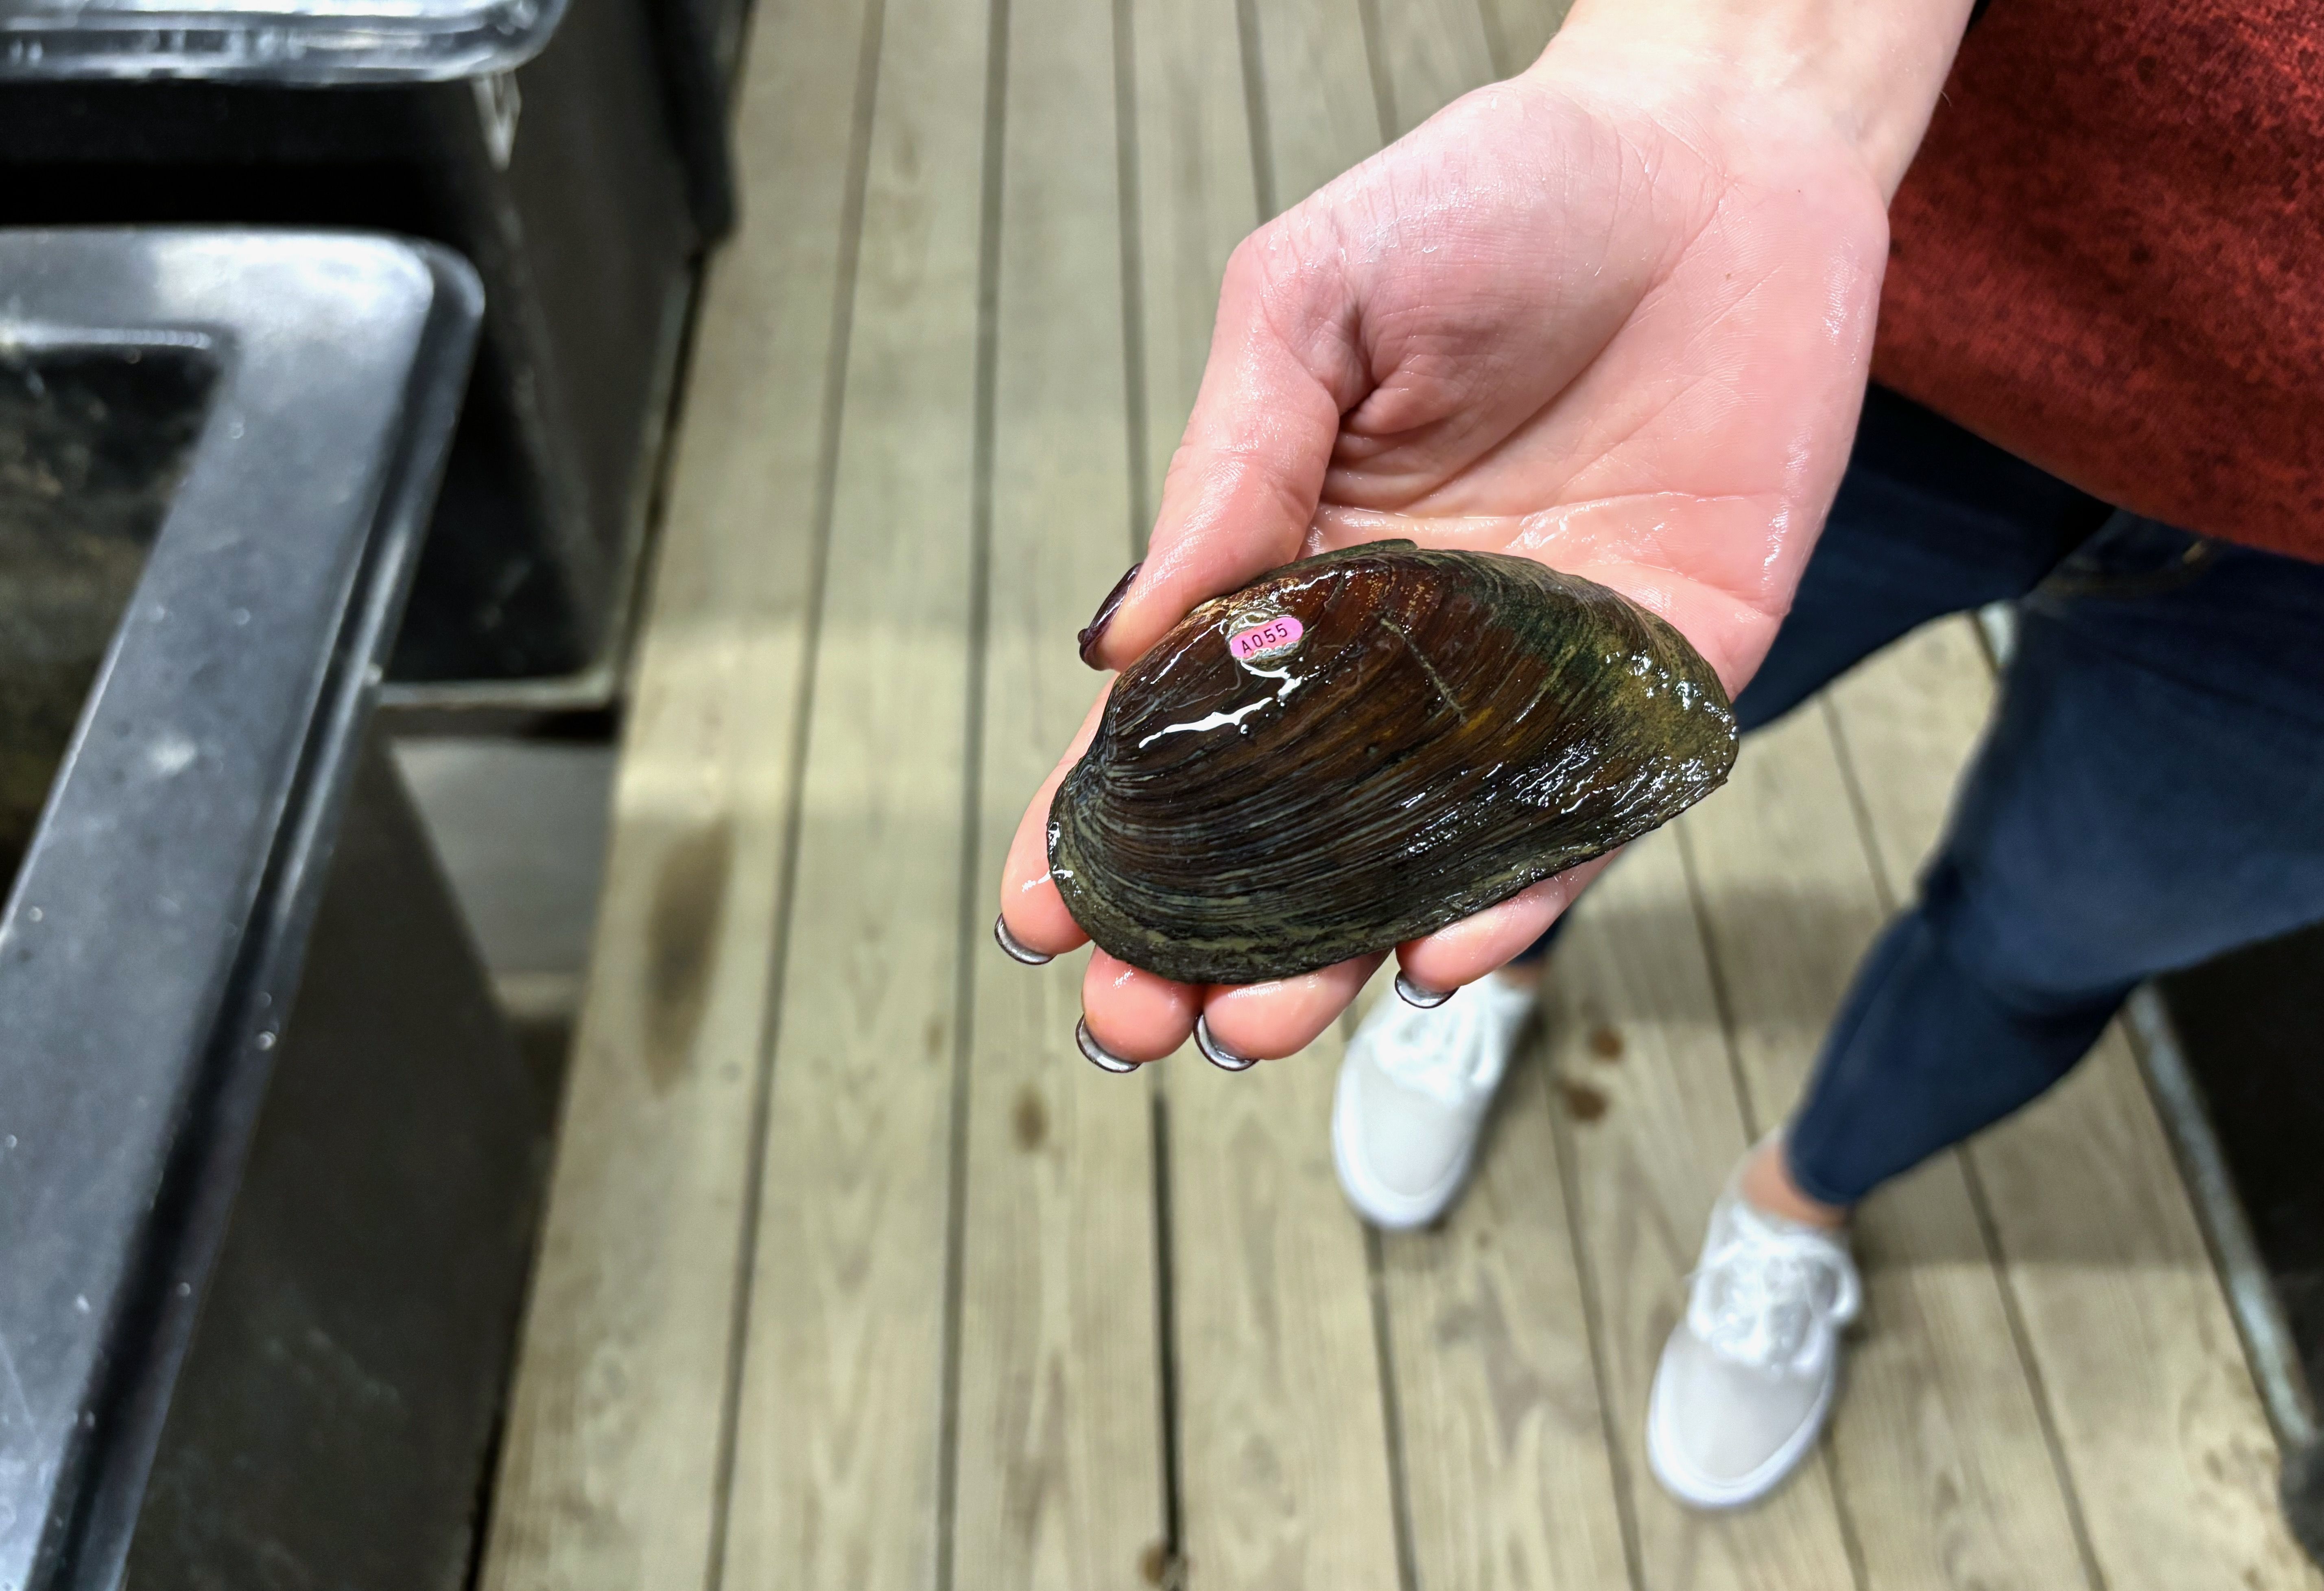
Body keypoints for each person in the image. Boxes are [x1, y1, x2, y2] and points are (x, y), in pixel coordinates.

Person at [993, 0, 2324, 1509]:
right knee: (1587, 730)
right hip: (1842, 296)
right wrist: (1733, 77)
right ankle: (1483, 958)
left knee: (2060, 930)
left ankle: (1799, 1200)